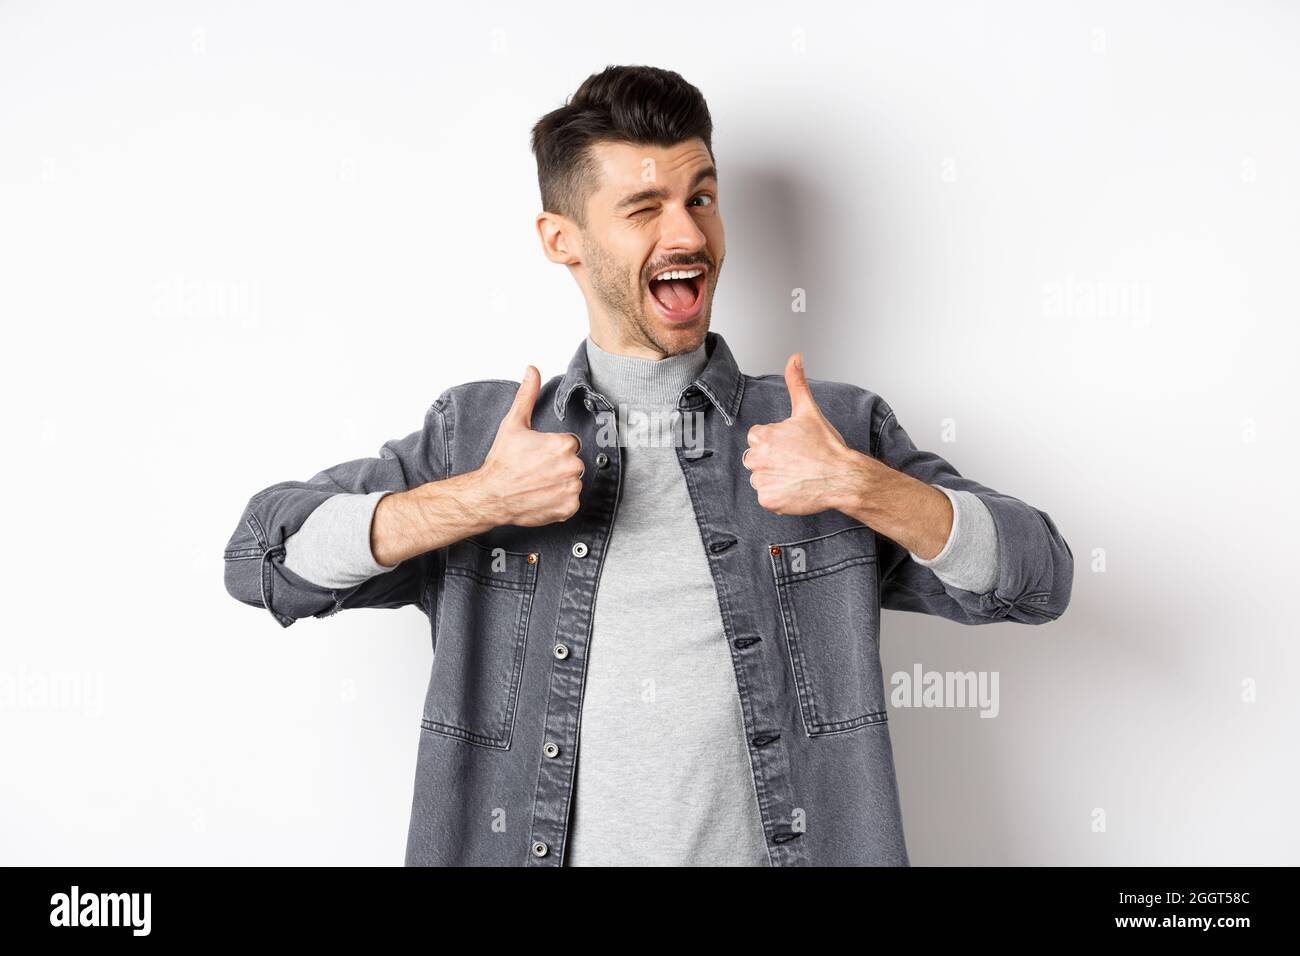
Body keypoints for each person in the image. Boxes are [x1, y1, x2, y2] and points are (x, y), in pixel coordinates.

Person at [222, 65, 1073, 866]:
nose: (687, 232)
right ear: (563, 239)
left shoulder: (827, 429)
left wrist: (860, 483)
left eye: (701, 196)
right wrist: (477, 500)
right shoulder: (480, 436)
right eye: (644, 207)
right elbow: (263, 558)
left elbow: (1039, 576)